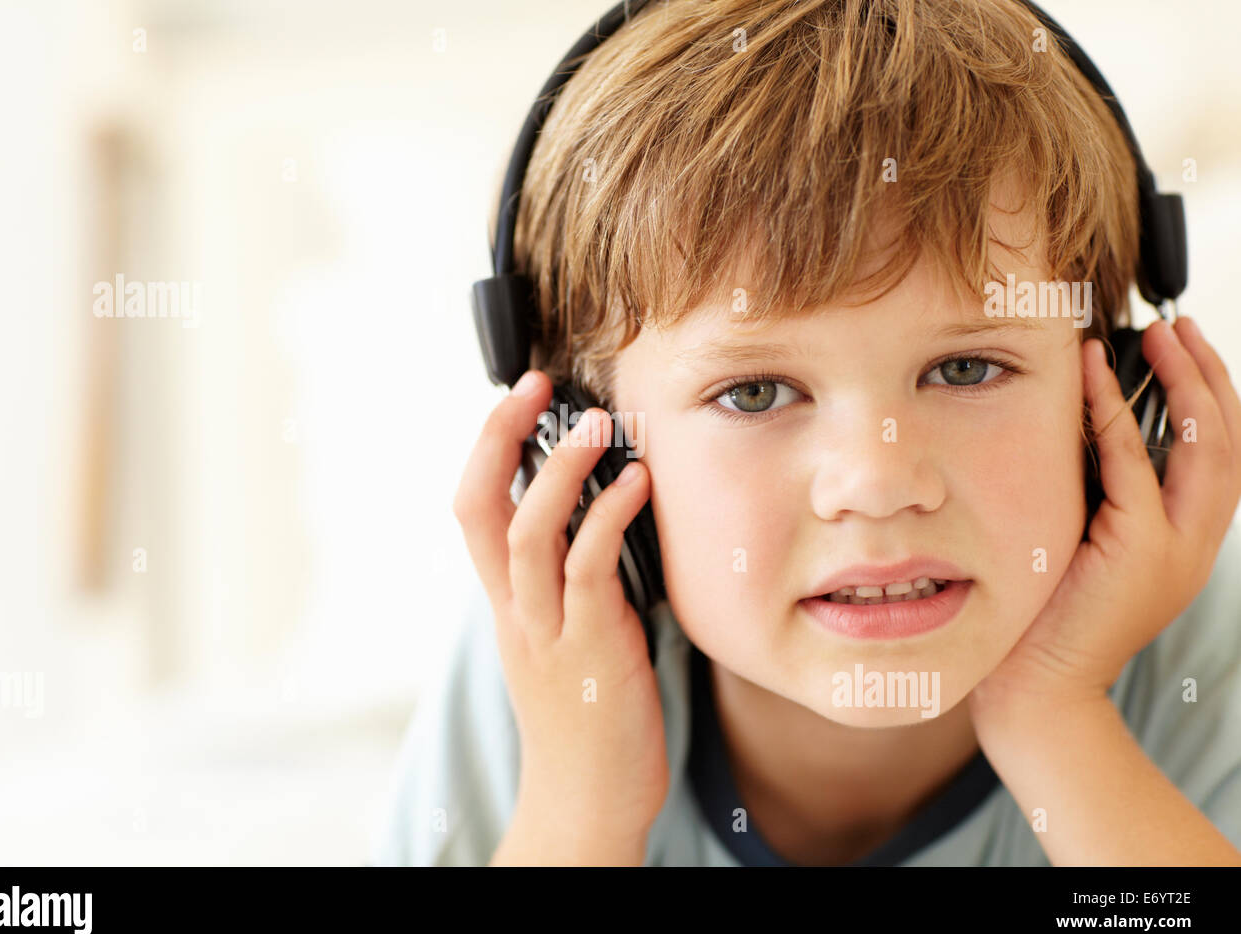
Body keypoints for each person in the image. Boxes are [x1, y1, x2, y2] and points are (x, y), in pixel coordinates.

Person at [372, 0, 1241, 865]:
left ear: (1126, 398)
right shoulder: (555, 666)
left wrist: (1055, 715)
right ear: (588, 452)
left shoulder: (1203, 652)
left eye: (966, 369)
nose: (877, 480)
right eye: (755, 391)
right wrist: (582, 809)